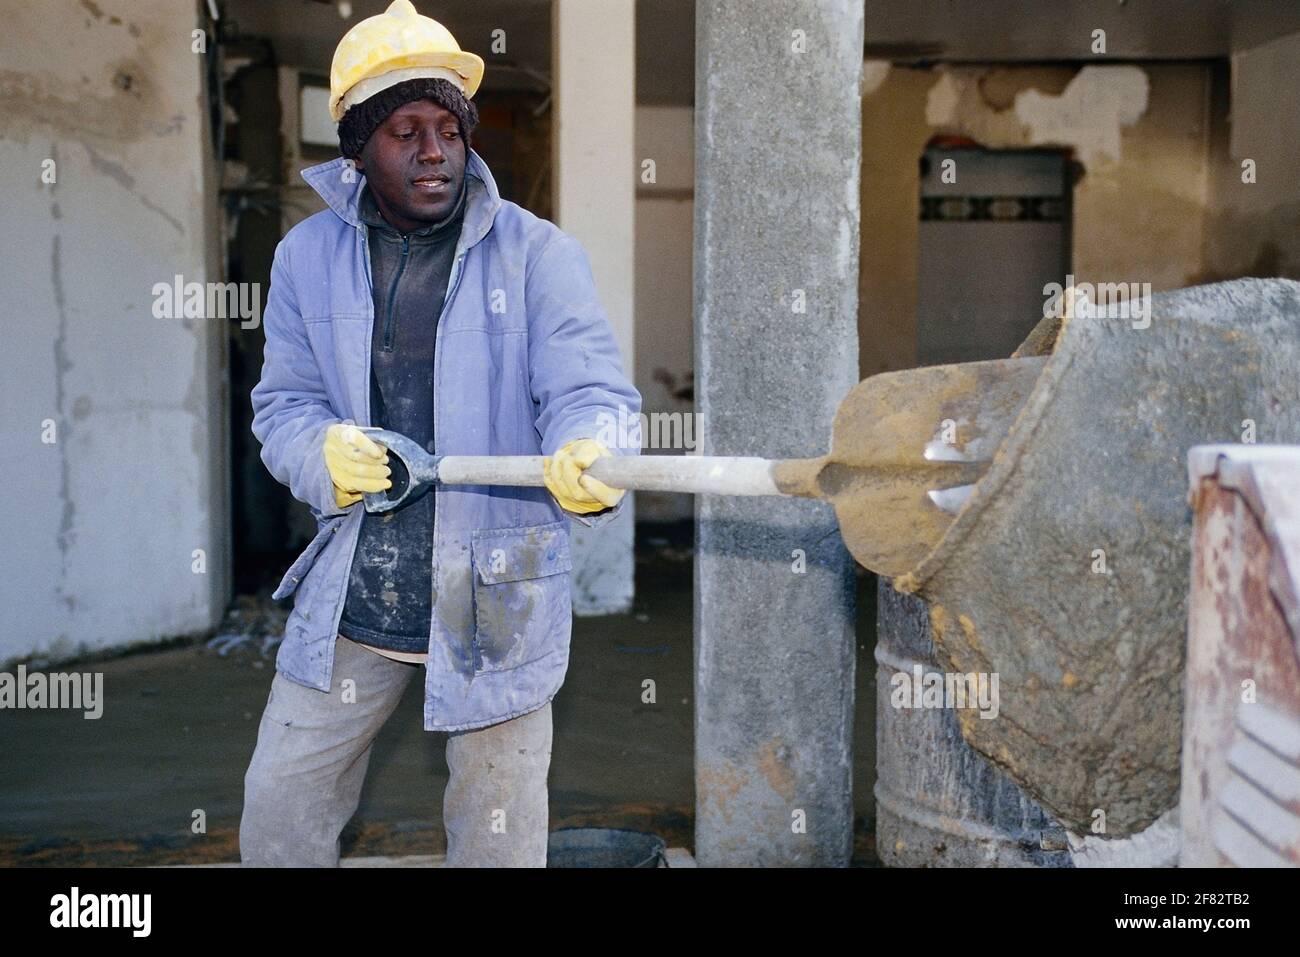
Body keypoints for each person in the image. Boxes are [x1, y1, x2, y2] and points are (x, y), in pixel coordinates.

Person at [240, 0, 641, 867]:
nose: (434, 152)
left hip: (494, 591)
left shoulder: (537, 256)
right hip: (359, 584)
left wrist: (592, 446)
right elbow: (284, 406)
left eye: (449, 130)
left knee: (497, 829)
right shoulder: (307, 259)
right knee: (282, 806)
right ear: (357, 150)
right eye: (405, 131)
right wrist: (320, 454)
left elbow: (592, 388)